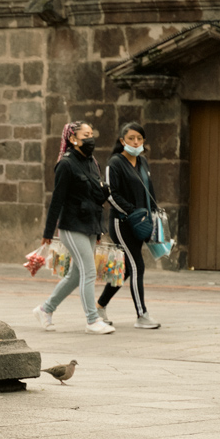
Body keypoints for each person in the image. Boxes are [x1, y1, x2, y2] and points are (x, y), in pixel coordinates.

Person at [33, 120, 114, 335]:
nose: (90, 138)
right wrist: (48, 232)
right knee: (89, 271)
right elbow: (57, 200)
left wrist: (98, 230)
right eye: (85, 134)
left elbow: (96, 199)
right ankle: (92, 320)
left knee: (76, 275)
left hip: (89, 225)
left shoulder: (91, 162)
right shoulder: (66, 164)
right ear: (72, 139)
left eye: (91, 134)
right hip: (71, 226)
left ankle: (45, 309)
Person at [97, 122, 161, 329]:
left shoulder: (143, 162)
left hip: (142, 223)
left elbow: (148, 192)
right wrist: (131, 211)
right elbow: (110, 193)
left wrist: (154, 214)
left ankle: (100, 306)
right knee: (137, 266)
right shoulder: (114, 163)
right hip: (122, 223)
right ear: (122, 141)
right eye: (131, 138)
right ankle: (142, 315)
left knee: (124, 270)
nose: (135, 142)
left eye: (139, 138)